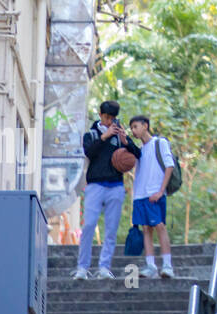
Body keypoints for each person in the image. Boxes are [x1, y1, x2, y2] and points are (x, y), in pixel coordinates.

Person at [72, 100, 140, 280]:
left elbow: (136, 154)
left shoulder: (119, 136)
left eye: (113, 118)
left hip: (116, 186)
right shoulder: (91, 135)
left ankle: (104, 267)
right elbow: (89, 152)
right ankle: (82, 268)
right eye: (107, 117)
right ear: (100, 115)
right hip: (94, 185)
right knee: (88, 225)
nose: (110, 122)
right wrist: (104, 137)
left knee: (111, 230)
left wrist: (126, 142)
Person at [128, 116, 175, 279]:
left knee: (159, 226)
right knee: (146, 230)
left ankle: (167, 265)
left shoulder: (159, 143)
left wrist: (161, 191)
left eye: (135, 126)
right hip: (140, 194)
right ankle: (151, 266)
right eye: (131, 128)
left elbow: (169, 166)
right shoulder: (139, 150)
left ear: (145, 126)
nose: (133, 131)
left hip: (154, 192)